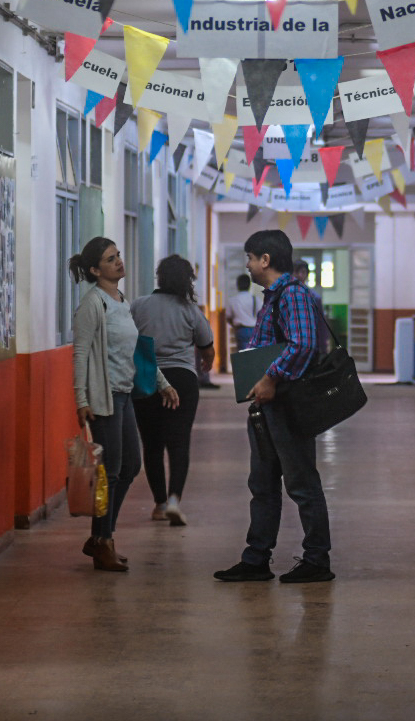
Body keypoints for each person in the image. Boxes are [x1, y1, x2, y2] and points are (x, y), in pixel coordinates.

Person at [214, 229, 334, 584]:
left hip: (288, 405)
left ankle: (317, 559)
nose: (248, 265)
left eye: (250, 258)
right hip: (267, 407)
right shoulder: (272, 296)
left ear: (265, 260)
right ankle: (256, 559)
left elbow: (304, 345)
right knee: (262, 484)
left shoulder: (293, 295)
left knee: (301, 483)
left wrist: (271, 378)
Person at [69, 237, 178, 572]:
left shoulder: (120, 300)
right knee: (111, 472)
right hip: (104, 398)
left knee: (130, 465)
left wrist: (163, 383)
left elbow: (136, 352)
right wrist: (81, 399)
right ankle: (104, 541)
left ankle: (101, 536)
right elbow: (81, 354)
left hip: (125, 394)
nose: (118, 261)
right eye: (109, 258)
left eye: (118, 255)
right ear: (94, 269)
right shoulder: (93, 304)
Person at [133, 255, 214, 527]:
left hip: (146, 380)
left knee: (152, 444)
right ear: (187, 280)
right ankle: (175, 500)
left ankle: (158, 504)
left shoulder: (139, 306)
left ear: (159, 277)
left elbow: (128, 341)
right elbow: (207, 345)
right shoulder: (190, 310)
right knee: (179, 443)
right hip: (182, 381)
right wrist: (207, 361)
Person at [225, 273, 260, 354]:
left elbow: (228, 316)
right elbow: (262, 314)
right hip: (254, 330)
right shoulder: (255, 299)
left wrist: (234, 326)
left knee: (243, 355)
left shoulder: (233, 300)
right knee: (255, 354)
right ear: (249, 285)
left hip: (241, 330)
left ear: (238, 285)